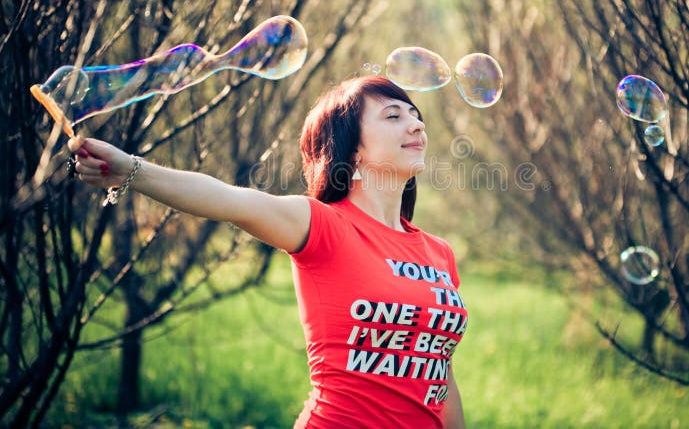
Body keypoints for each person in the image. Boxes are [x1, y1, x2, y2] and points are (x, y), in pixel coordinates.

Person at [68, 75, 468, 428]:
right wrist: (131, 170)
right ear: (353, 149)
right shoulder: (323, 225)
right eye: (393, 115)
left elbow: (440, 373)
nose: (417, 124)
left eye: (416, 116)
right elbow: (228, 199)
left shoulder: (439, 252)